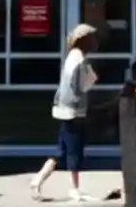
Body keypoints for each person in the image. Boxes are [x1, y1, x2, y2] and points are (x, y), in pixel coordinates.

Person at [31, 24, 99, 203]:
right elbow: (80, 86)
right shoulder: (79, 60)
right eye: (92, 38)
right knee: (74, 151)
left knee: (61, 151)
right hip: (73, 111)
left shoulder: (73, 57)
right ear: (84, 40)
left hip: (64, 108)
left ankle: (37, 180)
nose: (95, 42)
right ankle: (75, 189)